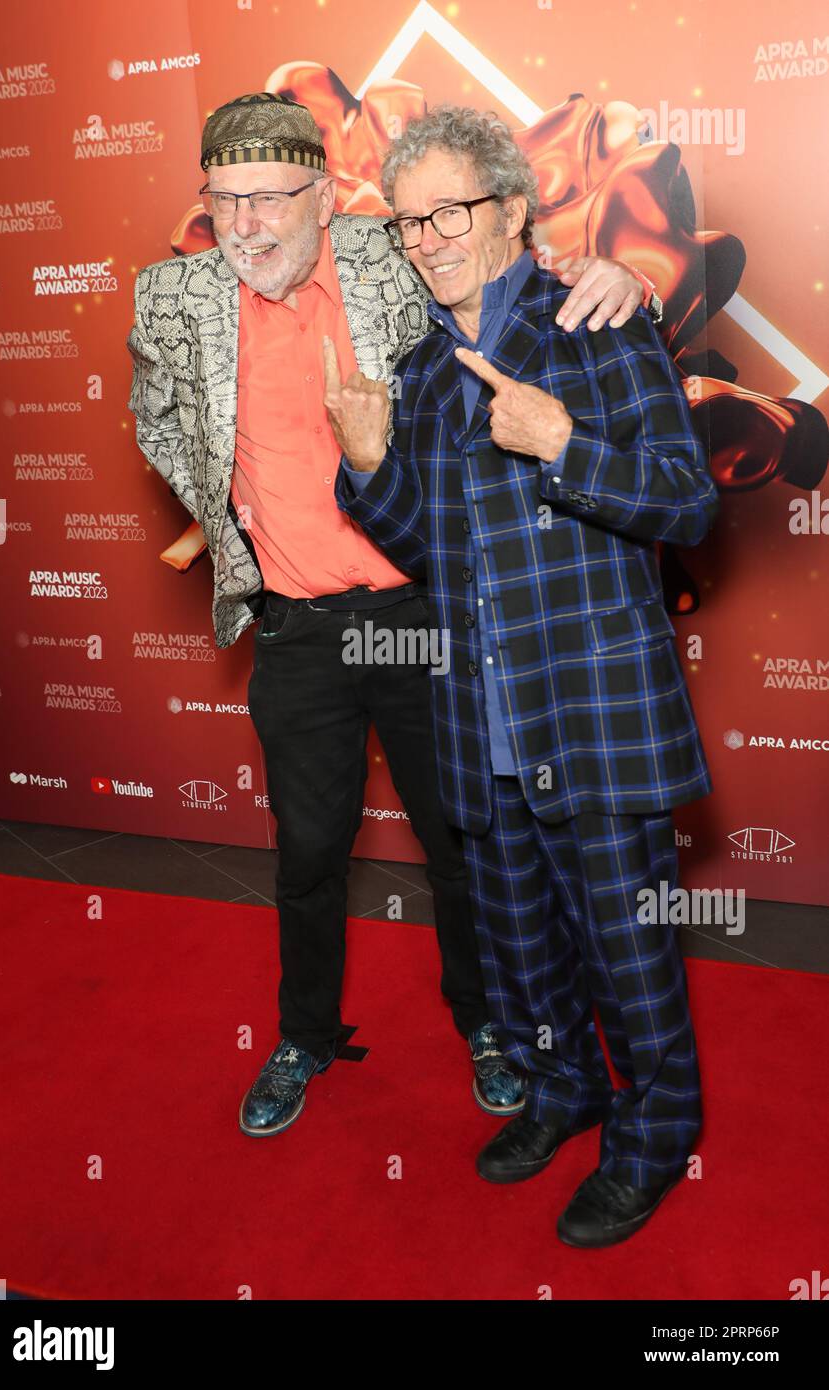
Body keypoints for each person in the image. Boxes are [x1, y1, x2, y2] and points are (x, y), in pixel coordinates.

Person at [127, 92, 659, 1141]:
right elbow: (156, 419)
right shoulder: (170, 297)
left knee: (465, 844)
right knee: (307, 854)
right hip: (296, 626)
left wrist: (620, 274)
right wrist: (221, 512)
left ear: (324, 196)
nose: (248, 223)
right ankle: (304, 1034)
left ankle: (494, 1026)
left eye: (272, 196)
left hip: (427, 611)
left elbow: (516, 266)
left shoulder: (397, 250)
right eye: (224, 199)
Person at [329, 105, 718, 1247]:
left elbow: (685, 499)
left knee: (626, 954)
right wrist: (365, 468)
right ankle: (566, 1093)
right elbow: (429, 551)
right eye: (408, 221)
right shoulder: (420, 369)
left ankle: (655, 1133)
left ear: (511, 208)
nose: (429, 237)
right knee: (521, 958)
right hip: (477, 728)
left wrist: (562, 445)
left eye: (451, 209)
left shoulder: (593, 322)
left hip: (591, 716)